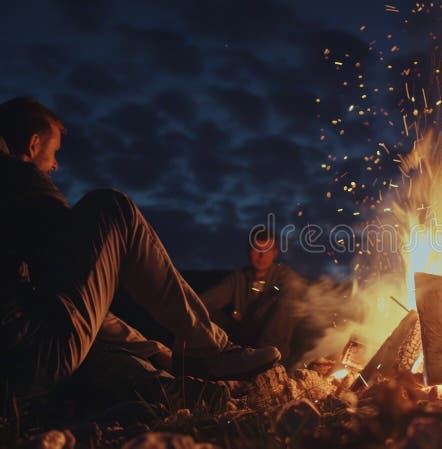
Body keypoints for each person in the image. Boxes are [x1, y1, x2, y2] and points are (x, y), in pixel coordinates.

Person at [0, 98, 280, 418]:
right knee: (111, 208)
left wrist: (151, 348)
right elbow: (71, 285)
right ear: (34, 144)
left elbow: (74, 301)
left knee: (106, 355)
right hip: (24, 359)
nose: (55, 165)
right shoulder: (13, 175)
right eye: (55, 152)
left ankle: (168, 390)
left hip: (16, 369)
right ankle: (215, 350)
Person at [201, 231, 308, 366]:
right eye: (256, 249)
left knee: (291, 298)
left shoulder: (284, 277)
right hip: (242, 344)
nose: (261, 255)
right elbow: (208, 300)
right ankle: (207, 359)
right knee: (201, 310)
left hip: (273, 348)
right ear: (249, 251)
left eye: (267, 250)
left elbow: (296, 291)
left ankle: (268, 362)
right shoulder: (239, 278)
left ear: (274, 253)